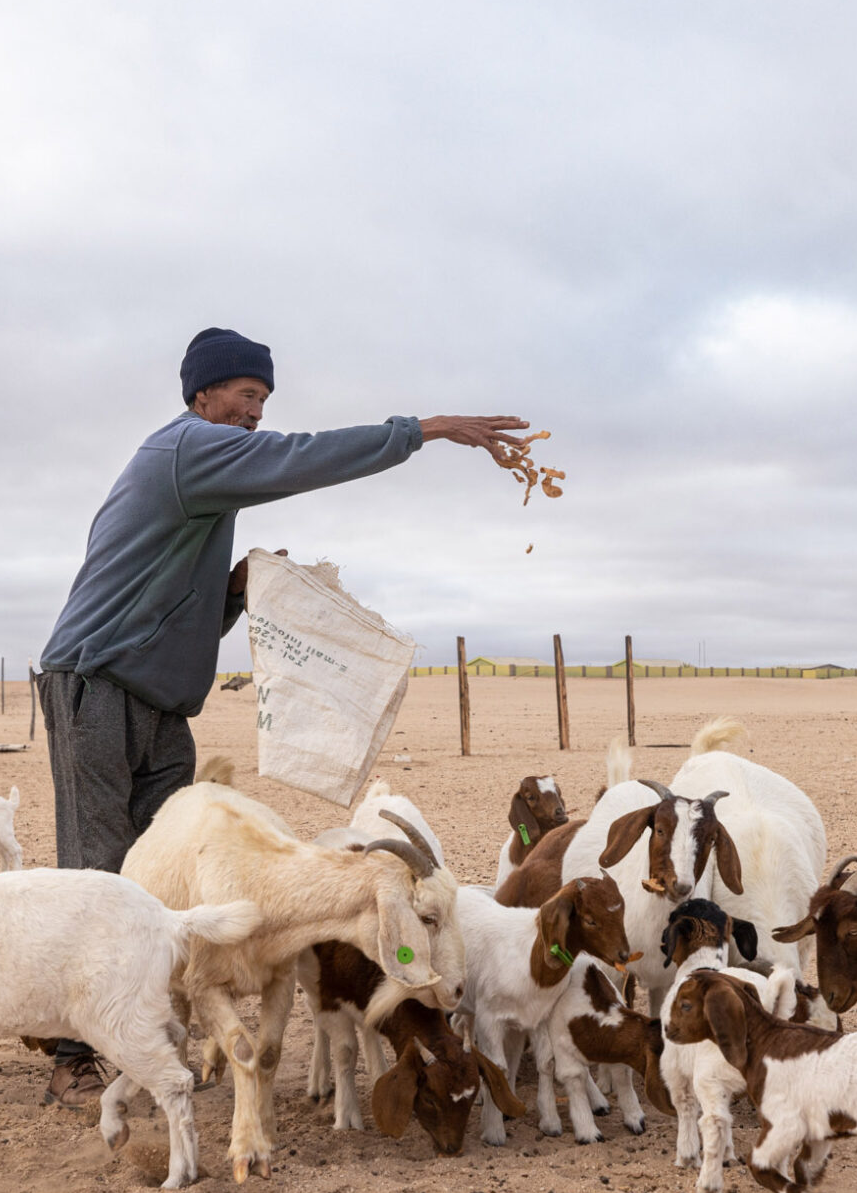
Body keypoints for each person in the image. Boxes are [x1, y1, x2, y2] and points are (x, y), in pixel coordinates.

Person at [33, 326, 526, 1105]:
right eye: (246, 395)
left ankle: (144, 1032)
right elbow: (302, 458)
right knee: (101, 863)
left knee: (161, 870)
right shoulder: (188, 449)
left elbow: (167, 602)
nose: (256, 412)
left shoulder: (201, 476)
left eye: (263, 399)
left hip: (159, 698)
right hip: (97, 682)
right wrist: (423, 430)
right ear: (202, 394)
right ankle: (74, 1054)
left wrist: (228, 595)